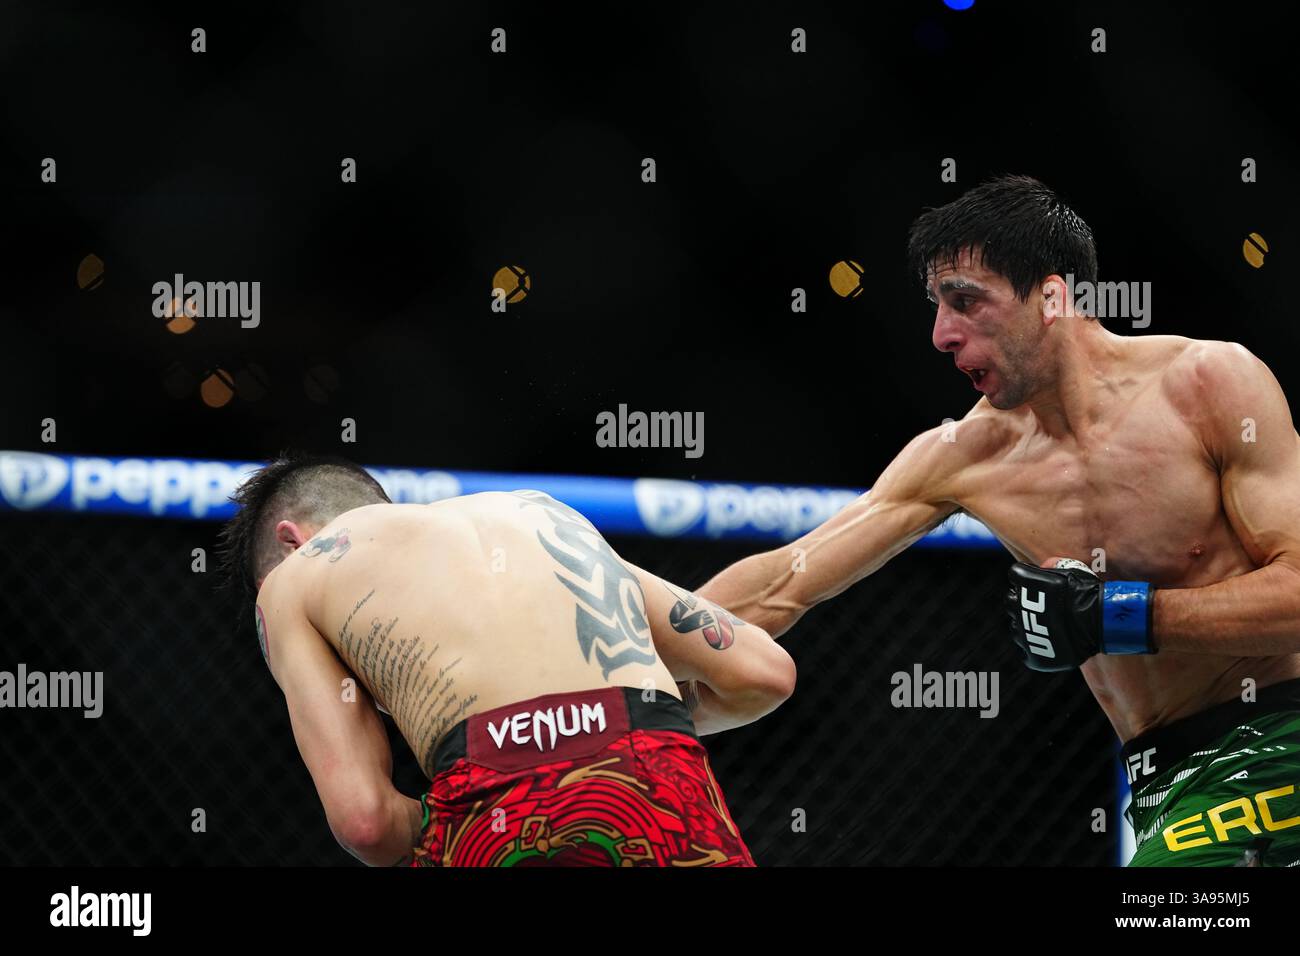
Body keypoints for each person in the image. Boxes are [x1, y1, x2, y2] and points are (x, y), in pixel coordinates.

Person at [696, 175, 1300, 867]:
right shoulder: (964, 456)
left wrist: (1116, 617)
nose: (941, 334)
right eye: (936, 305)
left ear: (1051, 296)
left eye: (966, 301)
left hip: (1281, 737)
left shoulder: (1210, 384)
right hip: (1166, 782)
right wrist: (622, 643)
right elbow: (785, 580)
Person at [218, 454, 794, 866]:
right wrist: (623, 731)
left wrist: (442, 818)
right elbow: (763, 673)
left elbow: (366, 824)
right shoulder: (542, 514)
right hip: (654, 772)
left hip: (493, 801)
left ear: (291, 539)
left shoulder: (294, 578)